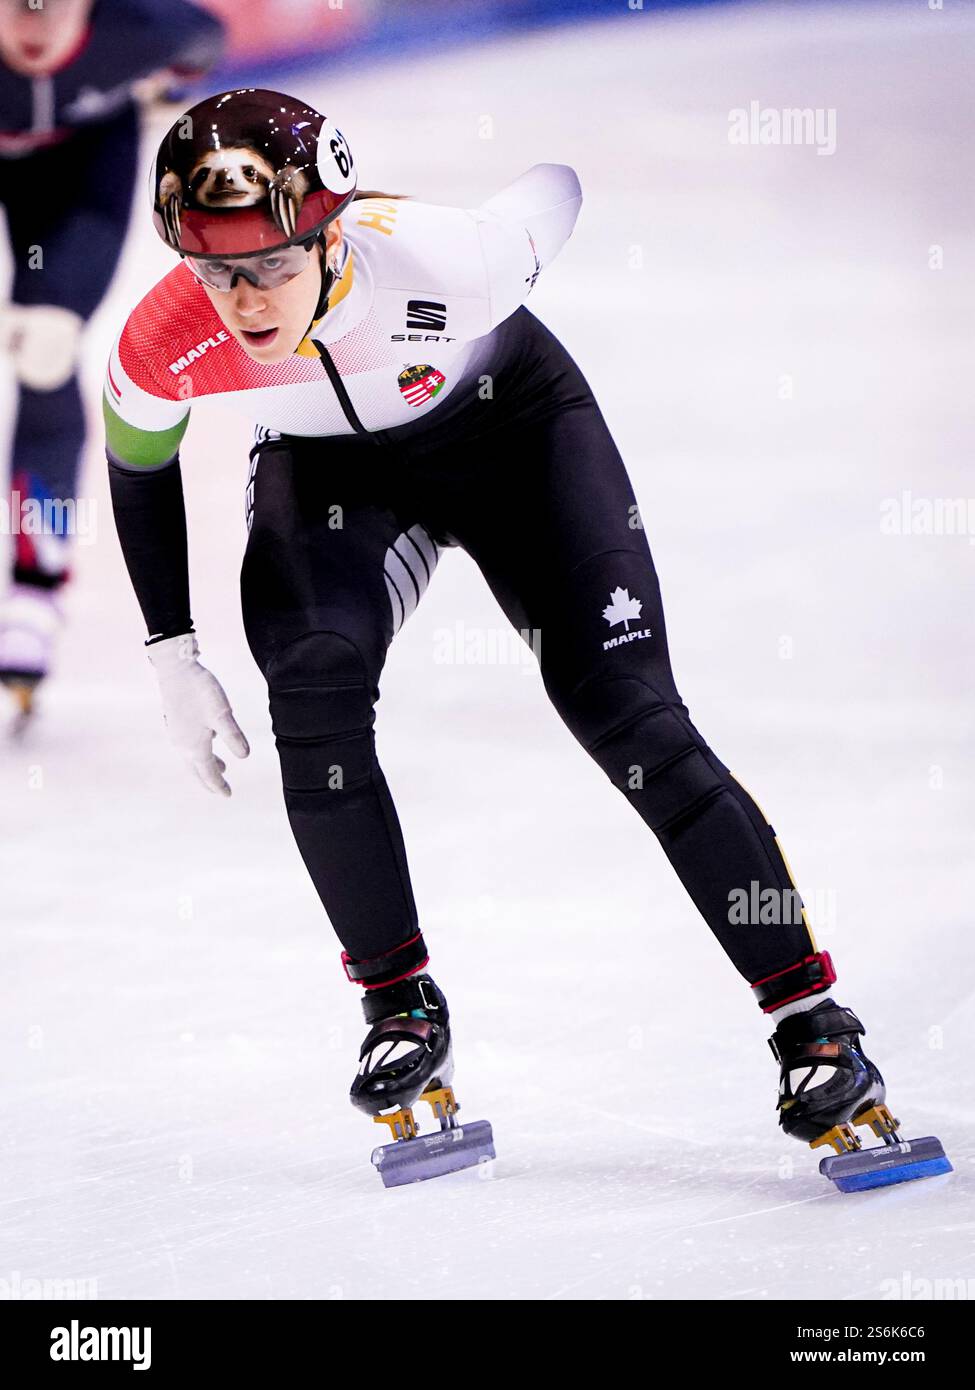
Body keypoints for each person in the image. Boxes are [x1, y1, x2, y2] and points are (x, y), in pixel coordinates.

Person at [103, 87, 931, 1185]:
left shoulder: (456, 263)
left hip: (514, 432)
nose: (242, 303)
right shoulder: (168, 336)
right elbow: (138, 465)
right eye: (215, 273)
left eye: (268, 268)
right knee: (311, 688)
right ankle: (397, 1004)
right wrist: (171, 653)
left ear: (332, 233)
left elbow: (560, 190)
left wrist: (492, 236)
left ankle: (815, 1022)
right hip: (337, 478)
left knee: (628, 714)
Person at [0, 0, 224, 720]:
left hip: (80, 167)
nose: (35, 22)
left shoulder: (148, 29)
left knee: (46, 345)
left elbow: (202, 45)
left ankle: (36, 585)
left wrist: (170, 90)